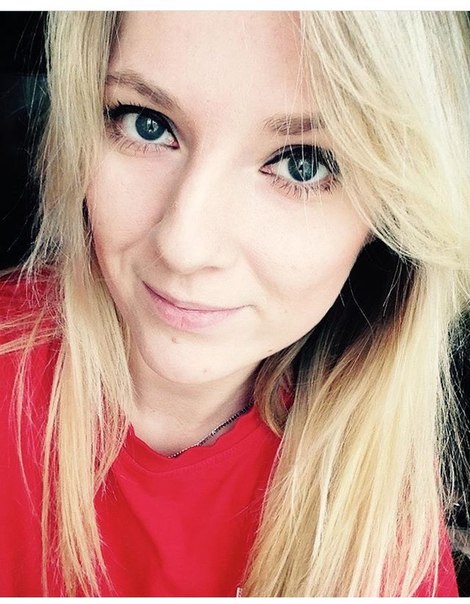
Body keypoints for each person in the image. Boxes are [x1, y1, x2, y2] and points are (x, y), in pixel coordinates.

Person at [0, 10, 469, 597]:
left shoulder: (370, 500)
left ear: (393, 211)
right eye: (148, 124)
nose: (183, 246)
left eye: (302, 163)